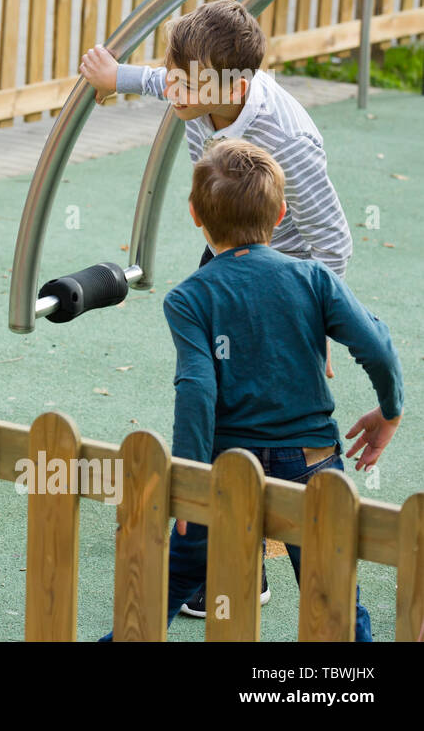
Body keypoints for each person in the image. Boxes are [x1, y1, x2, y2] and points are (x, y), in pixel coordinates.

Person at [79, 0, 354, 615]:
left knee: (265, 404)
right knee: (225, 393)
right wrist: (114, 77)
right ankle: (234, 551)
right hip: (232, 255)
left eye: (184, 77)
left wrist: (316, 323)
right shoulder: (201, 88)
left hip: (285, 280)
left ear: (231, 83)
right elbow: (162, 79)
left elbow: (332, 243)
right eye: (173, 72)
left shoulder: (289, 141)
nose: (171, 82)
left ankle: (256, 530)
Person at [100, 140, 402, 642]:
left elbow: (196, 390)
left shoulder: (189, 297)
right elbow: (377, 345)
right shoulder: (313, 278)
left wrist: (188, 481)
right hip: (313, 464)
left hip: (226, 470)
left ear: (196, 214)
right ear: (281, 213)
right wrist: (389, 410)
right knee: (336, 599)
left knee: (163, 590)